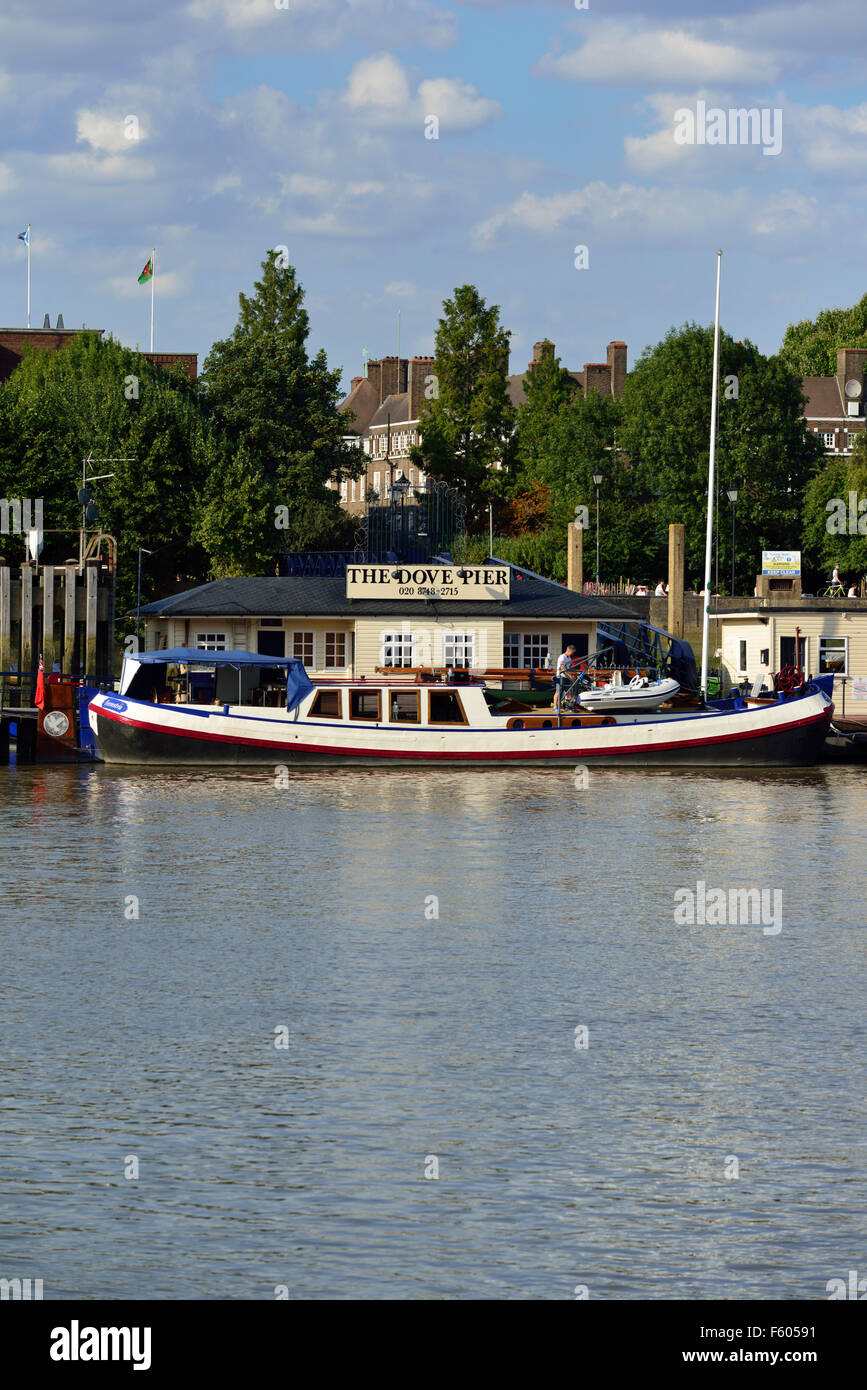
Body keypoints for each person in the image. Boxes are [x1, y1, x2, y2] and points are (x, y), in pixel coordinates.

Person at [553, 644, 577, 711]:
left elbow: (568, 669)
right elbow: (562, 668)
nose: (572, 654)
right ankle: (555, 707)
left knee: (569, 692)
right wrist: (570, 676)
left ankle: (569, 706)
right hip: (560, 677)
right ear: (569, 651)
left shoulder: (569, 658)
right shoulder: (562, 657)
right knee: (558, 692)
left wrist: (573, 674)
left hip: (566, 677)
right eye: (572, 652)